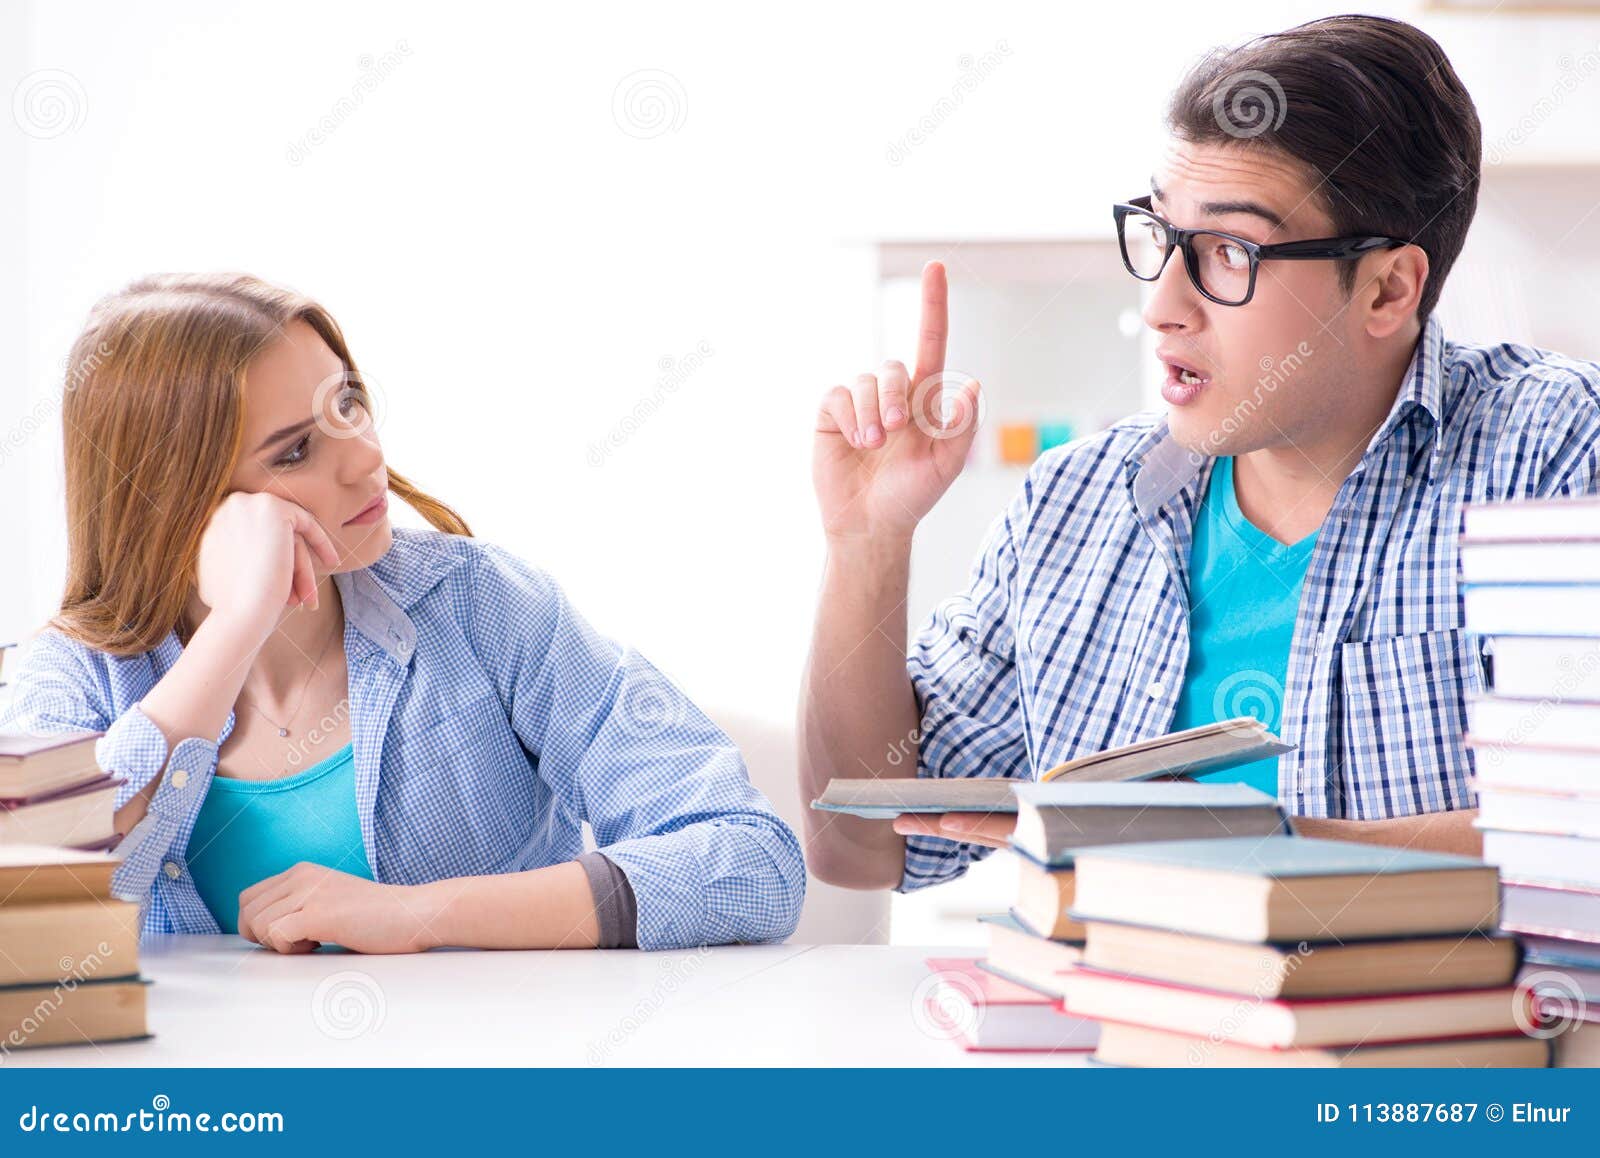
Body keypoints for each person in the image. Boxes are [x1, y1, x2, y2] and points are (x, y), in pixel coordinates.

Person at [798, 15, 1600, 893]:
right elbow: (861, 851)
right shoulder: (1077, 500)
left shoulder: (1555, 455)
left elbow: (1584, 839)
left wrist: (1251, 850)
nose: (1162, 307)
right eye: (1161, 234)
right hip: (1113, 988)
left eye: (1229, 252)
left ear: (1387, 289)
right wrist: (866, 545)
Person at [2, 272, 804, 953]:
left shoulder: (482, 606)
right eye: (295, 450)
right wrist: (236, 628)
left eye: (348, 403)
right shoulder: (73, 677)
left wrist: (419, 915)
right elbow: (23, 923)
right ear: (179, 505)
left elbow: (753, 862)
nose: (366, 457)